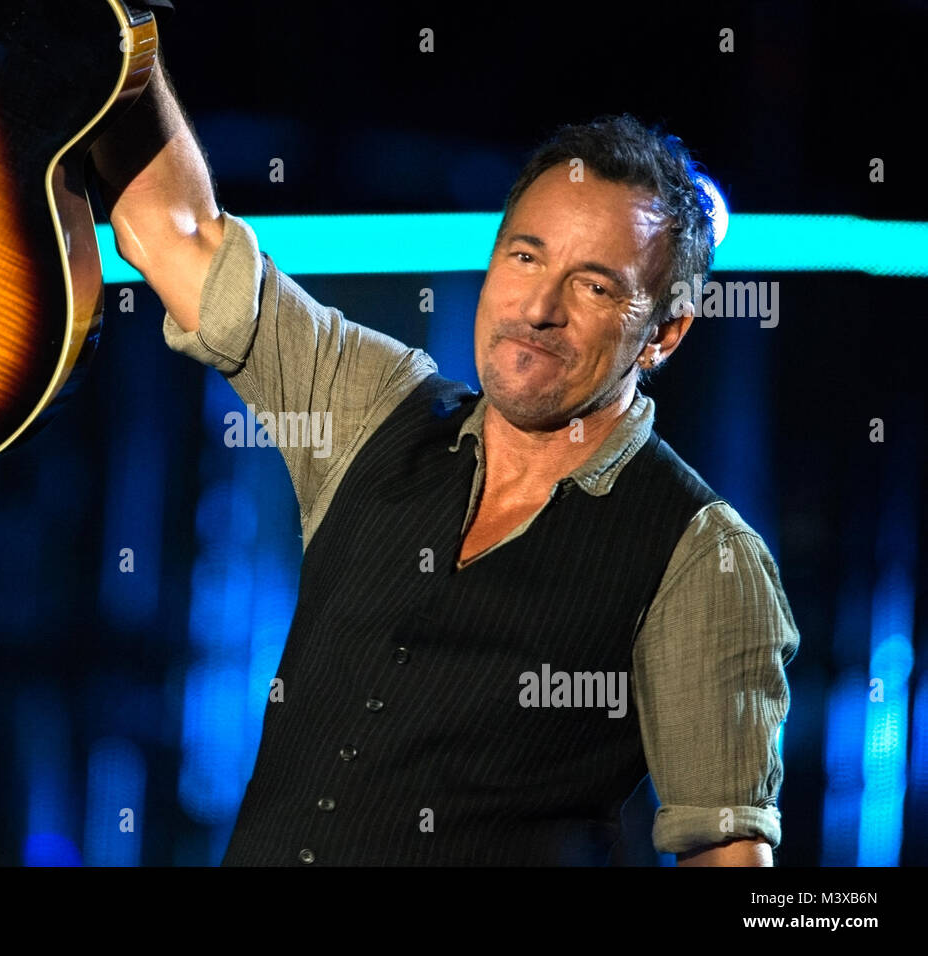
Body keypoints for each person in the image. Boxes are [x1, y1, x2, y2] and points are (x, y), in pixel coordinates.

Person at [88, 55, 800, 866]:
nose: (536, 309)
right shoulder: (375, 406)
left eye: (595, 287)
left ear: (665, 333)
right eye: (525, 257)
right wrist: (117, 38)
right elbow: (180, 232)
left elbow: (727, 859)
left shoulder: (703, 556)